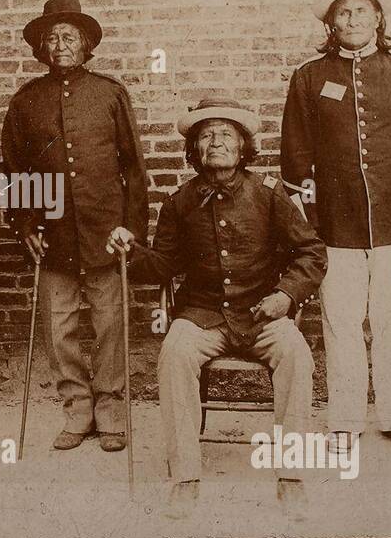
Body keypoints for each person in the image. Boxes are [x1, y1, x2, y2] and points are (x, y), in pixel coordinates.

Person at [110, 97, 326, 513]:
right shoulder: (179, 203)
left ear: (244, 147)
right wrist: (130, 250)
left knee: (297, 355)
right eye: (206, 135)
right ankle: (185, 476)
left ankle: (292, 474)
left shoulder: (269, 195)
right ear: (194, 150)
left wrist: (285, 296)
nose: (216, 142)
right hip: (202, 316)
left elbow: (312, 253)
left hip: (264, 313)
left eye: (226, 134)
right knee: (174, 354)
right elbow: (163, 265)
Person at [281, 0, 391, 453]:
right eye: (342, 14)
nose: (352, 20)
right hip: (334, 223)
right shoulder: (309, 77)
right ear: (331, 25)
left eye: (361, 12)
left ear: (378, 19)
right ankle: (345, 420)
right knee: (342, 322)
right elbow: (295, 155)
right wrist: (305, 222)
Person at [1, 0, 149, 453]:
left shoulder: (109, 93)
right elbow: (14, 170)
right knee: (58, 324)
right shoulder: (27, 100)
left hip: (107, 229)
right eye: (52, 38)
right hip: (52, 231)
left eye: (69, 37)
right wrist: (25, 224)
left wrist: (131, 227)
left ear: (86, 46)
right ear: (41, 49)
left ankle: (111, 411)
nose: (60, 44)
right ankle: (77, 410)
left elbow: (134, 167)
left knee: (109, 323)